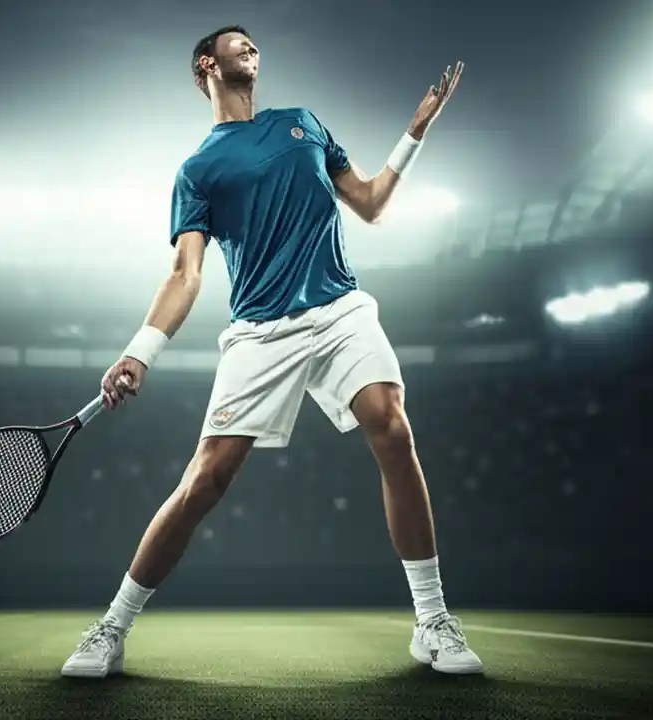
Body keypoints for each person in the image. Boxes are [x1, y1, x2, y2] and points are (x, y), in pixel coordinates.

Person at [61, 25, 479, 678]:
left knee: (392, 424)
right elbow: (185, 274)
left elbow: (369, 204)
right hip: (261, 333)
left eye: (255, 44)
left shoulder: (302, 123)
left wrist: (416, 130)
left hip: (339, 310)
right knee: (205, 481)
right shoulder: (198, 170)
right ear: (208, 64)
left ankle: (433, 621)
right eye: (238, 44)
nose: (251, 48)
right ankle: (111, 628)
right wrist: (139, 353)